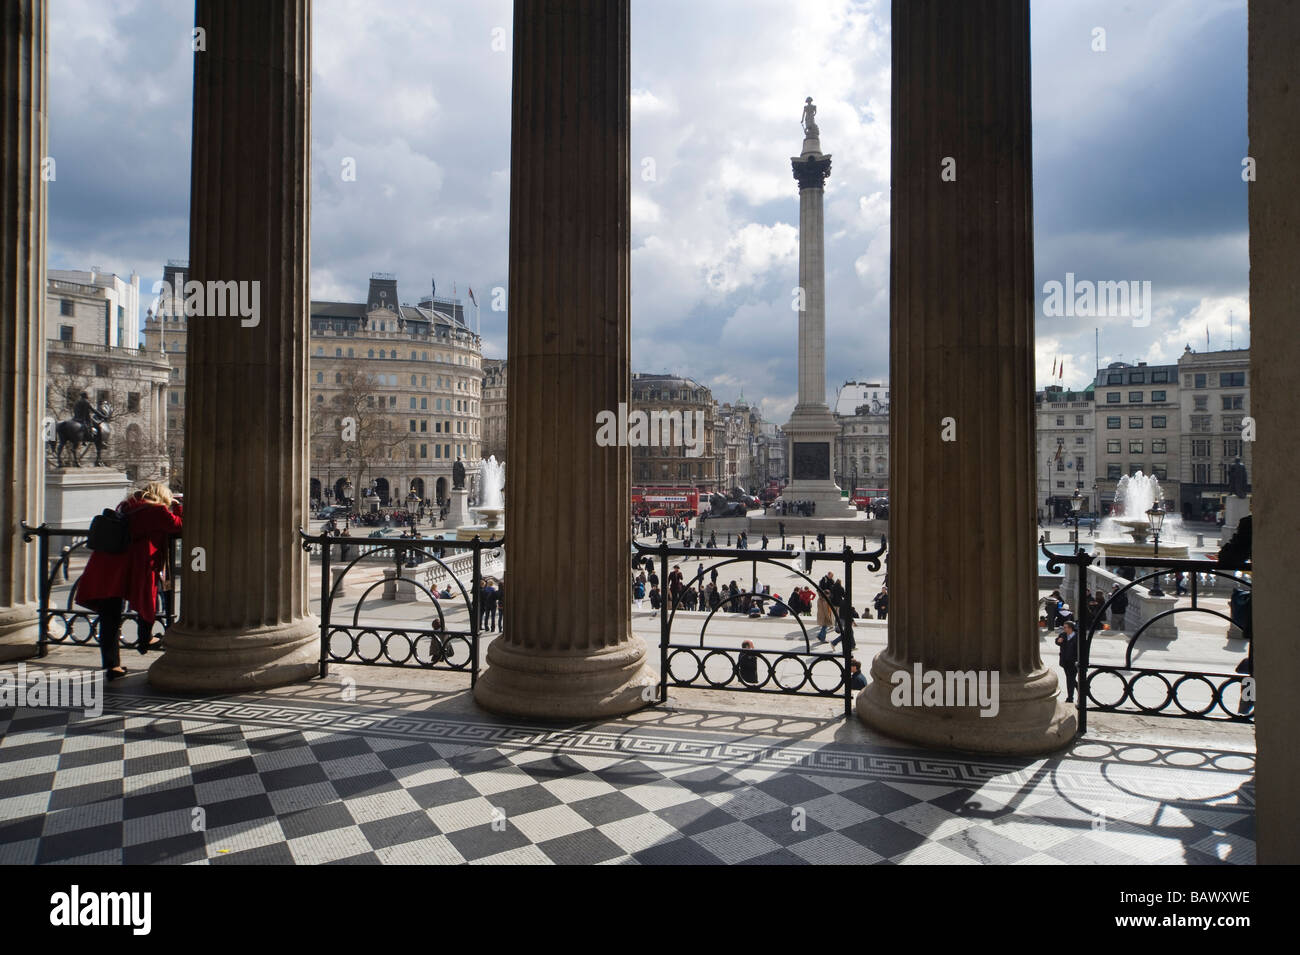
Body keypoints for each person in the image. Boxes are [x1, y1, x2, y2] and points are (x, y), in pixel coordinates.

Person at [76, 482, 183, 679]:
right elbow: (178, 525)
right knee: (146, 601)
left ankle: (112, 665)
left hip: (106, 565)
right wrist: (177, 505)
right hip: (134, 566)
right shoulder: (156, 511)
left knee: (109, 617)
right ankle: (145, 639)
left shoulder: (126, 507)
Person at [1055, 619, 1079, 703]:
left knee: (1070, 679)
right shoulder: (1063, 635)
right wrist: (1058, 641)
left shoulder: (1077, 637)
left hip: (1074, 662)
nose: (1064, 629)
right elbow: (1057, 641)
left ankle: (1070, 698)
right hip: (1065, 661)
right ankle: (1080, 690)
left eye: (1065, 627)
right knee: (1070, 679)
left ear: (1070, 628)